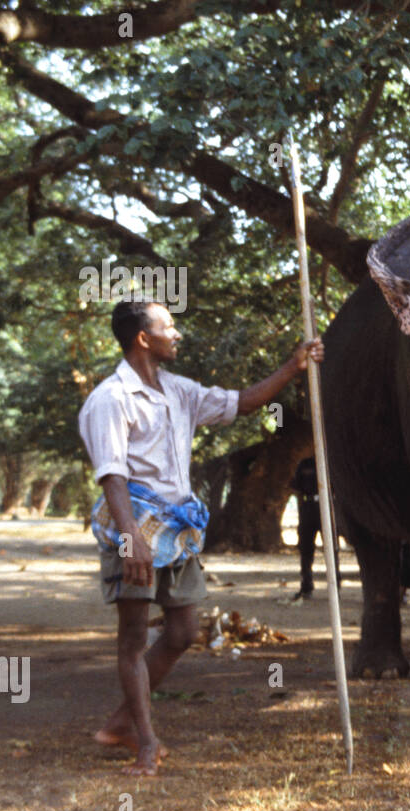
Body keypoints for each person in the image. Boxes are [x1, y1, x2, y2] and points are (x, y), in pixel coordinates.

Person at [78, 298, 323, 776]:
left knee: (184, 631)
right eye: (168, 326)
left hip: (176, 529)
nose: (177, 334)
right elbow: (112, 475)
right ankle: (145, 741)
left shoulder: (178, 390)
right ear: (143, 338)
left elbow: (242, 402)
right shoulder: (110, 399)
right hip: (135, 527)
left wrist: (293, 367)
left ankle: (122, 722)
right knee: (132, 638)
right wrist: (131, 538)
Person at [290, 456, 322, 600]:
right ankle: (306, 586)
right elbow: (296, 486)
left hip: (326, 508)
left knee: (332, 549)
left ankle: (336, 585)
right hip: (307, 508)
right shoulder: (304, 463)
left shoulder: (330, 461)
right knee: (305, 549)